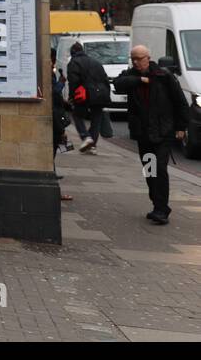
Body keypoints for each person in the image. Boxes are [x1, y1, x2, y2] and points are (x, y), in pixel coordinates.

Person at [112, 44, 189, 225]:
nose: (136, 62)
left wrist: (181, 127)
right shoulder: (131, 75)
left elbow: (180, 102)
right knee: (149, 170)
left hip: (164, 132)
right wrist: (139, 80)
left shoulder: (163, 76)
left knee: (160, 169)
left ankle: (162, 209)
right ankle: (156, 204)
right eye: (134, 59)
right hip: (143, 133)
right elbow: (118, 85)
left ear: (148, 58)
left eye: (139, 58)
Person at [67, 41, 111, 154]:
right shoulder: (96, 62)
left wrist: (72, 97)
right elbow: (105, 79)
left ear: (72, 53)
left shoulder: (74, 62)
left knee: (77, 115)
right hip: (100, 94)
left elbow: (73, 82)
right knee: (96, 119)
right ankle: (92, 146)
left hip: (85, 94)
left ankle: (86, 137)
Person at [51, 49, 74, 201]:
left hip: (57, 117)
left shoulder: (48, 72)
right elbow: (53, 93)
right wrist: (61, 82)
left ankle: (53, 186)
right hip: (55, 119)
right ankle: (53, 190)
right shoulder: (47, 73)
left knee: (52, 154)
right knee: (51, 154)